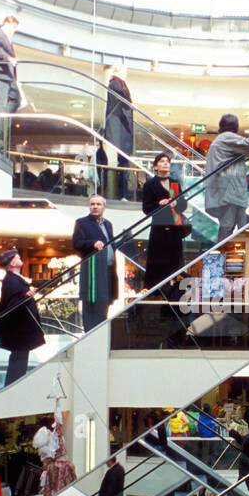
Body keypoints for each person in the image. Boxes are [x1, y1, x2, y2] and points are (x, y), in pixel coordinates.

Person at [203, 113, 249, 243]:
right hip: (229, 191)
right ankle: (221, 251)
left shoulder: (220, 140)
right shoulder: (226, 137)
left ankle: (226, 251)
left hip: (229, 191)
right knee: (228, 225)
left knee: (236, 225)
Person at [0, 248, 46, 385]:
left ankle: (14, 386)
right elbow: (12, 303)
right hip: (19, 331)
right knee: (19, 361)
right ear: (12, 264)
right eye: (17, 258)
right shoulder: (11, 280)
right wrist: (26, 295)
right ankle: (13, 387)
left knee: (19, 360)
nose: (20, 259)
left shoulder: (14, 279)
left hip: (19, 331)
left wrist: (26, 294)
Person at [142, 152, 189, 293]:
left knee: (175, 262)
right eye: (162, 161)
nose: (165, 163)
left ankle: (175, 291)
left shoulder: (175, 183)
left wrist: (176, 203)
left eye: (167, 161)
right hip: (159, 228)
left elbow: (183, 205)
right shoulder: (150, 184)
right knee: (157, 262)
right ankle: (156, 292)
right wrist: (159, 204)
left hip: (174, 228)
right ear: (156, 166)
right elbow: (146, 208)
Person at [72, 195, 118, 331]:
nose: (95, 207)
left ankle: (101, 335)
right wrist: (92, 243)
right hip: (93, 273)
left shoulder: (108, 224)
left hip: (108, 271)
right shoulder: (82, 223)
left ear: (104, 207)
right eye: (92, 204)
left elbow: (111, 246)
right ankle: (91, 336)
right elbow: (76, 243)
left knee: (104, 307)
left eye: (98, 204)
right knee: (92, 311)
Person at [104, 67, 134, 200]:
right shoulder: (116, 83)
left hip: (121, 125)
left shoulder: (118, 84)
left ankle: (123, 194)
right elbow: (121, 100)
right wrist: (130, 105)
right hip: (120, 125)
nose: (126, 75)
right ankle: (122, 194)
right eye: (124, 72)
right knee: (123, 160)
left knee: (123, 160)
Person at [0, 14, 21, 111]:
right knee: (1, 100)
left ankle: (4, 116)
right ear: (7, 23)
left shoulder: (7, 38)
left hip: (8, 75)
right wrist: (9, 58)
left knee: (16, 98)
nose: (14, 30)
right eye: (14, 27)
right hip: (1, 74)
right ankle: (1, 117)